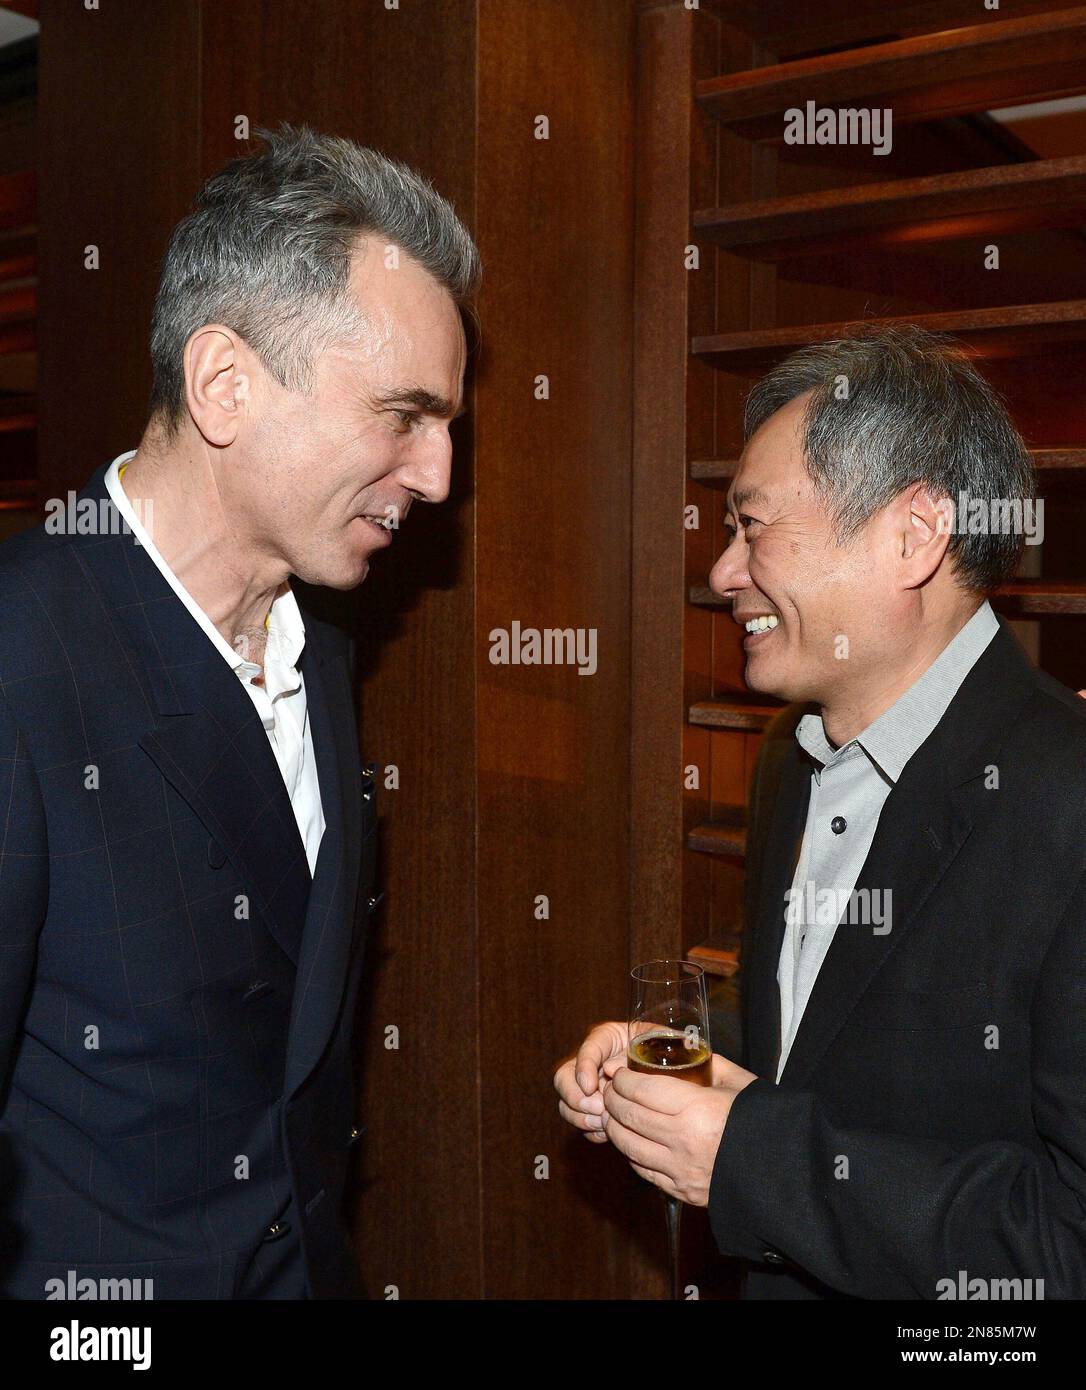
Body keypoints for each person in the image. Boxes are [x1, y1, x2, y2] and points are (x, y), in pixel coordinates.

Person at [0, 123, 479, 1299]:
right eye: (404, 415)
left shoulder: (323, 653)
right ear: (225, 384)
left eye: (448, 425)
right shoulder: (21, 654)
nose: (439, 476)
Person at [556, 326, 1086, 1299]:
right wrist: (692, 1075)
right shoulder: (789, 762)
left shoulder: (1067, 800)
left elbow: (1064, 1246)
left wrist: (745, 1157)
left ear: (913, 536)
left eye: (752, 526)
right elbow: (833, 1048)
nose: (722, 573)